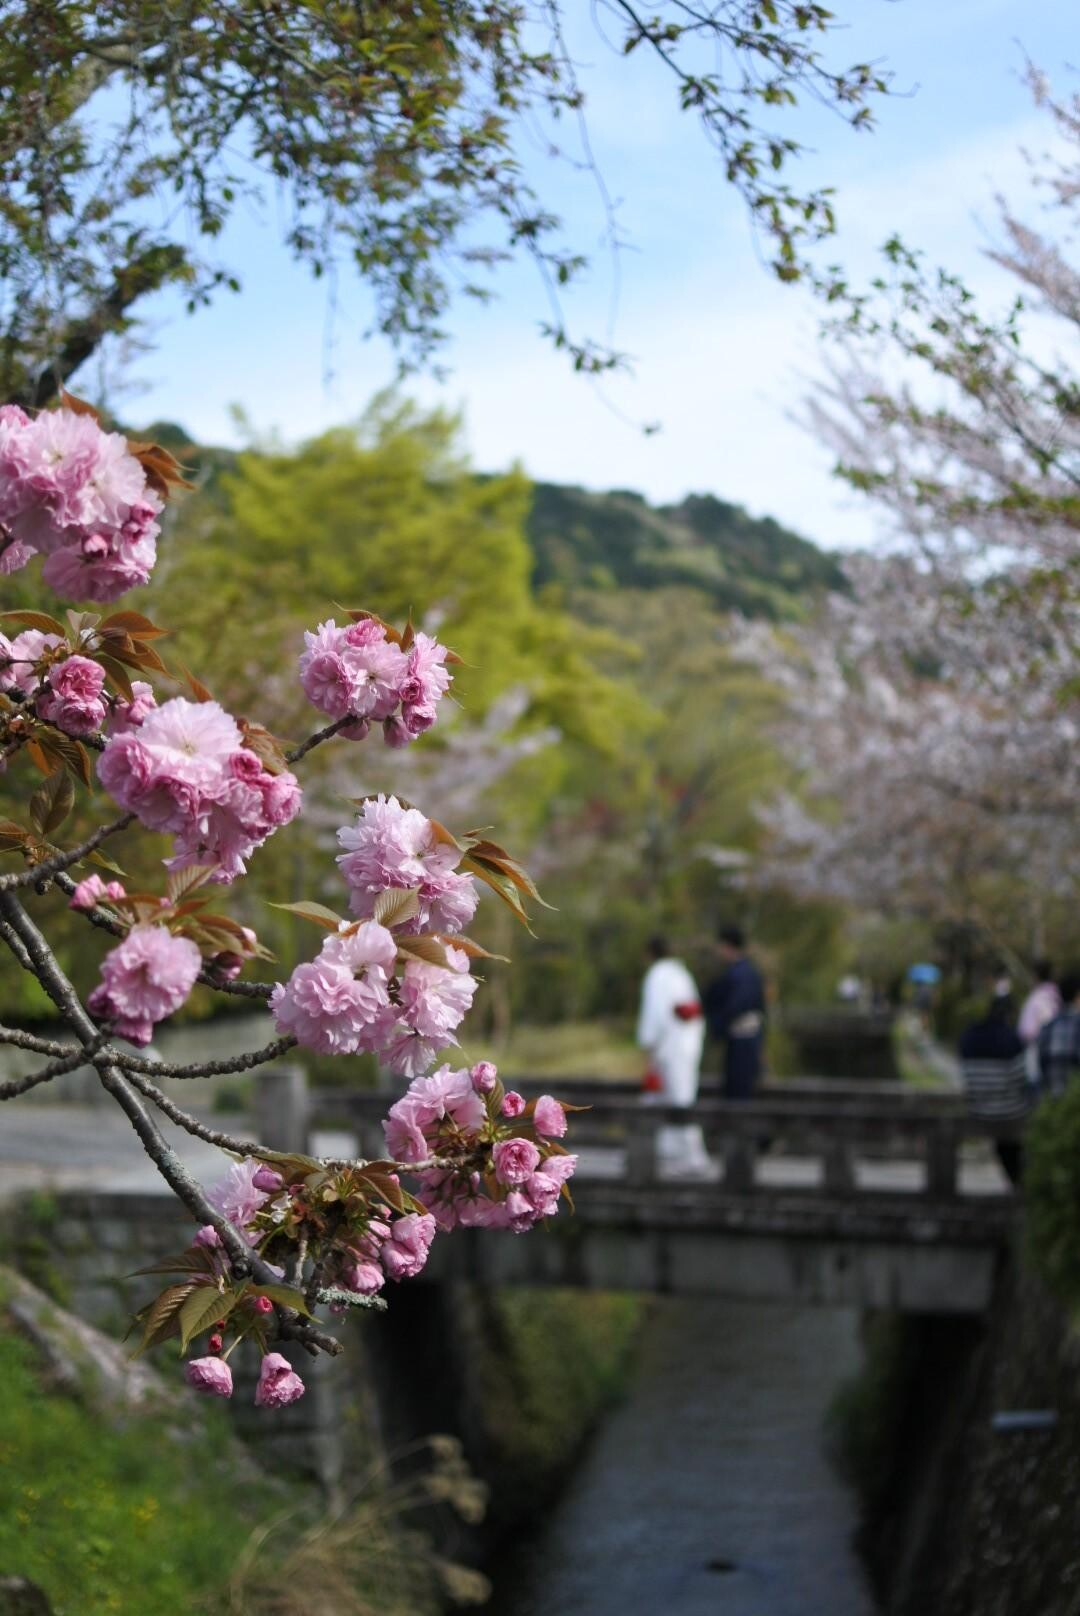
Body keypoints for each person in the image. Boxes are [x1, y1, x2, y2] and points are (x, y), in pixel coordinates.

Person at [636, 935, 709, 1175]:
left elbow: (655, 1013)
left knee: (676, 1099)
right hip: (687, 1043)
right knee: (679, 1096)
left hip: (668, 1045)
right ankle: (672, 1151)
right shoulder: (682, 974)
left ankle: (688, 1155)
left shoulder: (657, 975)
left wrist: (649, 1044)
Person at [958, 991, 1028, 1185]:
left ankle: (1016, 1183)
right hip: (1009, 1112)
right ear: (1009, 1015)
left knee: (1007, 1146)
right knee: (1015, 1142)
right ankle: (1019, 1185)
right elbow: (1021, 1079)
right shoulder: (1012, 1039)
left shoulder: (969, 1036)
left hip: (977, 1110)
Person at [704, 924, 766, 1100]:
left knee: (739, 1092)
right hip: (745, 1039)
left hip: (743, 1039)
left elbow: (733, 1006)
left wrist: (718, 1024)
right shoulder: (747, 972)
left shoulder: (740, 975)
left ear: (727, 946)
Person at [1036, 971, 1080, 1096]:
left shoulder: (1047, 1027)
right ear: (1077, 996)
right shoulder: (1078, 1024)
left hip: (1052, 1104)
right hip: (1074, 1102)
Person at [1018, 960, 1062, 1046]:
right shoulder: (1058, 996)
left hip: (1038, 1050)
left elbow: (1025, 1031)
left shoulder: (1035, 999)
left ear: (1036, 976)